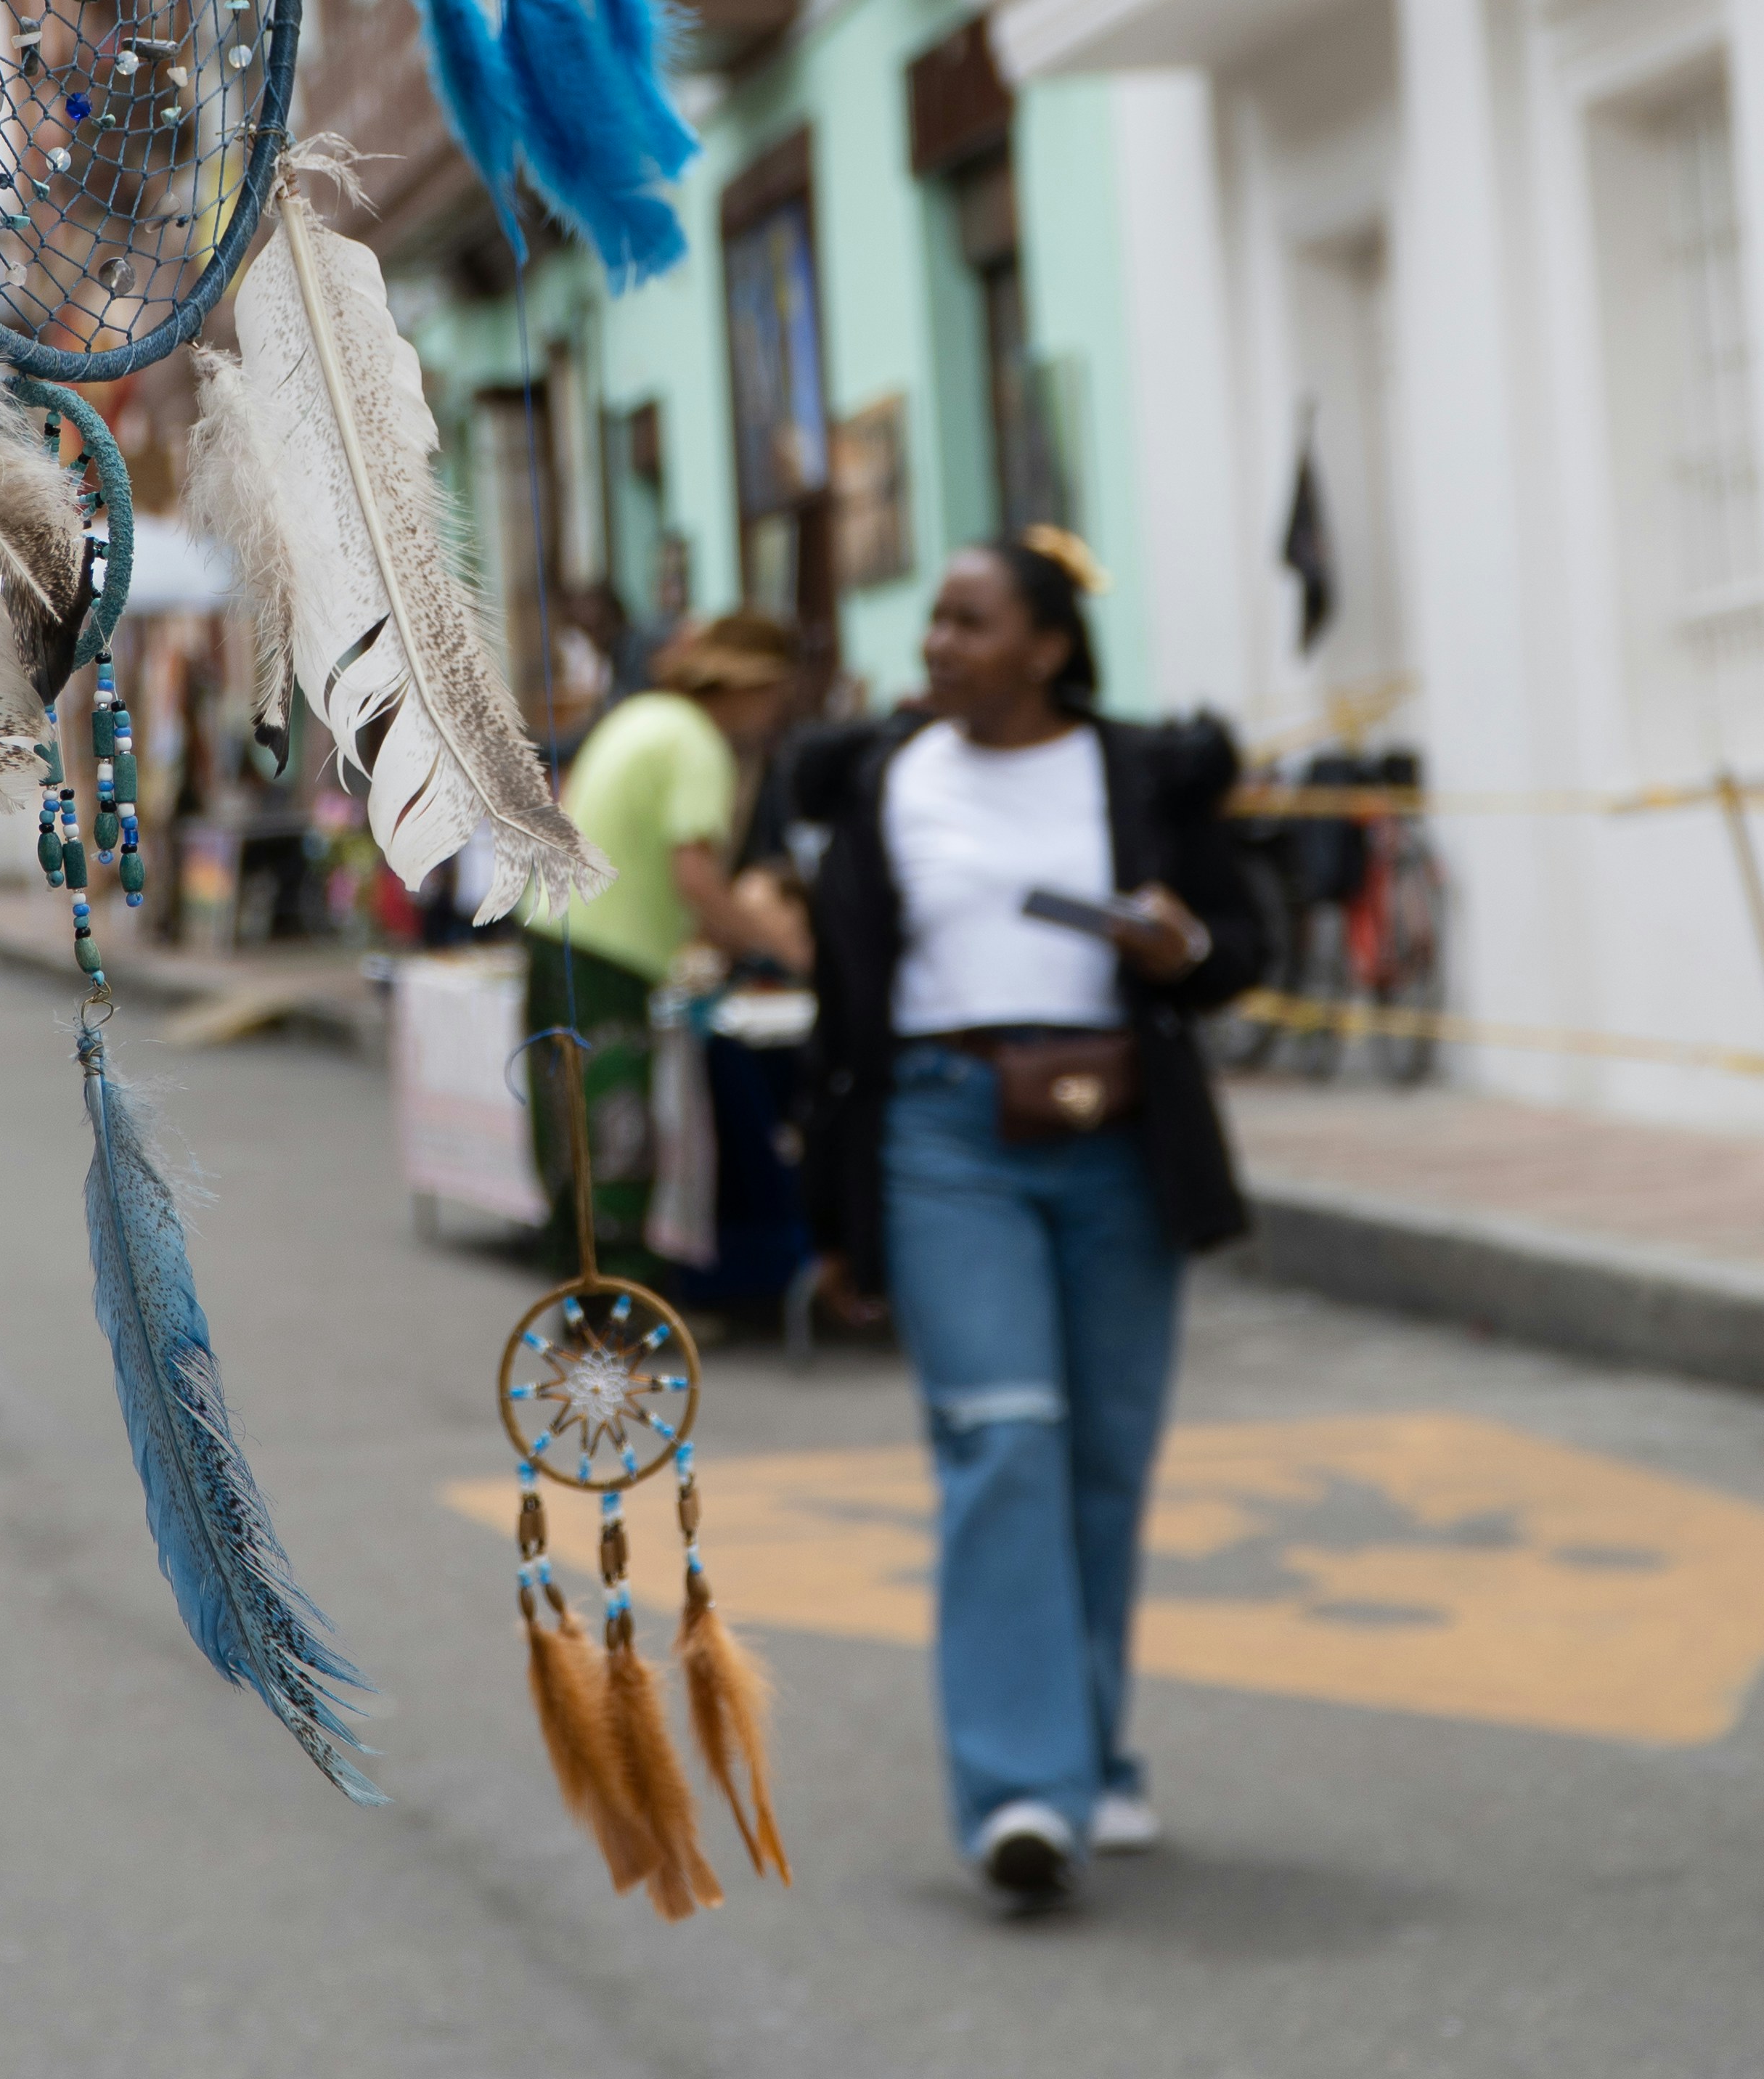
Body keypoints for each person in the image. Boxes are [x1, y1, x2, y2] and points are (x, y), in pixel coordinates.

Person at [793, 531, 1259, 1913]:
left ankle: (1096, 1749)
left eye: (970, 622)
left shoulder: (1140, 773)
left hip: (1118, 1133)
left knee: (1105, 1460)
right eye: (936, 619)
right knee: (1003, 1441)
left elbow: (1240, 945)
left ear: (1049, 648)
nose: (938, 642)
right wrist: (840, 1222)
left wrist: (1188, 951)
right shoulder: (888, 782)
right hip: (947, 1134)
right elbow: (845, 1015)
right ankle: (1020, 1796)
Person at [530, 614, 814, 1256]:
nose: (775, 716)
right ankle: (618, 1326)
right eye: (775, 698)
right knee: (616, 1146)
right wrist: (786, 945)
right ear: (746, 687)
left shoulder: (642, 717)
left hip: (561, 934)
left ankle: (588, 1314)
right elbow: (698, 879)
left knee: (573, 1141)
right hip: (605, 954)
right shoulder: (697, 745)